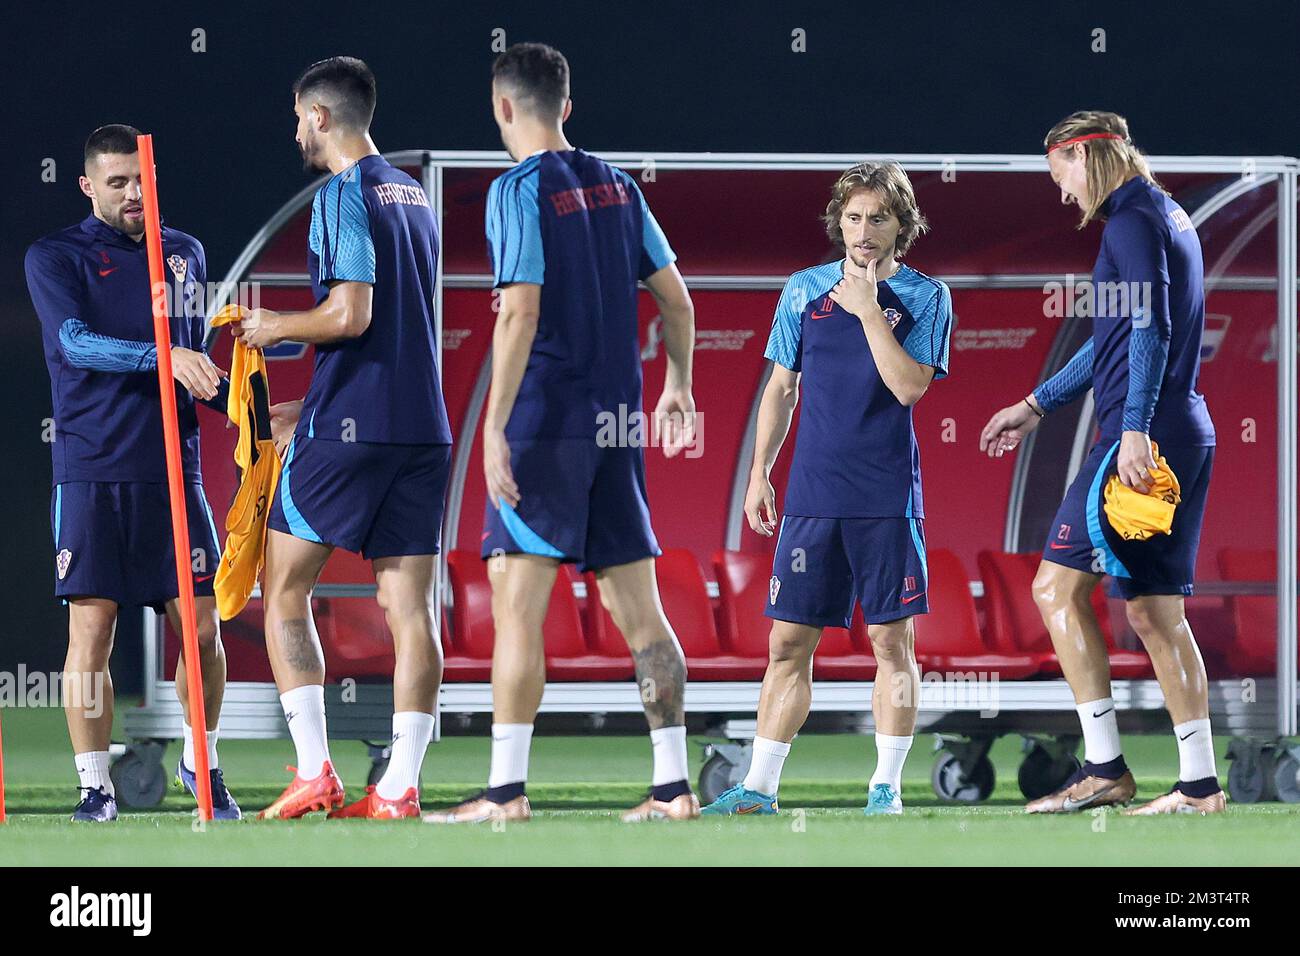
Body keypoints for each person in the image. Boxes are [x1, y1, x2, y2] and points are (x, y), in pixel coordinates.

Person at [424, 43, 699, 824]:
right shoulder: (617, 184)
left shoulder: (515, 190)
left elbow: (520, 310)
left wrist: (494, 427)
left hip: (547, 421)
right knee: (644, 617)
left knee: (518, 609)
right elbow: (677, 303)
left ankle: (506, 793)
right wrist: (678, 384)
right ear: (567, 106)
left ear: (502, 108)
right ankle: (674, 787)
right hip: (616, 420)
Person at [979, 111, 1222, 815]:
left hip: (1141, 438)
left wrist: (1136, 431)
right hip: (1185, 430)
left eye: (1060, 174)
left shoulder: (1128, 221)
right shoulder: (1166, 213)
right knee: (1153, 612)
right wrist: (1038, 401)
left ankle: (1104, 767)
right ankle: (1199, 783)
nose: (1062, 195)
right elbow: (1116, 338)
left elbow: (1150, 328)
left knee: (1055, 591)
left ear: (1084, 155)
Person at [237, 57, 453, 820]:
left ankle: (314, 770)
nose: (296, 129)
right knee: (410, 609)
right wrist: (313, 404)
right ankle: (399, 789)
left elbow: (352, 315)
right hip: (421, 429)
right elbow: (392, 329)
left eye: (299, 116)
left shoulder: (340, 195)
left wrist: (274, 326)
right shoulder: (414, 197)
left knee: (283, 587)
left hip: (354, 432)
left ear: (322, 117)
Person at [701, 162, 952, 818]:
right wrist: (760, 471)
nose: (864, 232)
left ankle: (886, 789)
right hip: (812, 499)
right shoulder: (803, 290)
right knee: (787, 644)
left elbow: (908, 387)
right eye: (853, 218)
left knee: (891, 644)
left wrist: (870, 310)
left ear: (904, 225)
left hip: (886, 501)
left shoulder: (926, 298)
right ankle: (757, 789)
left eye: (879, 219)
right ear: (837, 222)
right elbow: (781, 388)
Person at [25, 124, 240, 821]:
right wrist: (162, 357)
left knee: (204, 628)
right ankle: (94, 784)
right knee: (93, 632)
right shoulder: (56, 257)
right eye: (117, 183)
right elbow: (75, 344)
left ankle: (201, 763)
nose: (133, 194)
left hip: (174, 471)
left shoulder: (184, 254)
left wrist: (248, 401)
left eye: (141, 180)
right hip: (91, 469)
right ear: (88, 185)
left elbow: (194, 354)